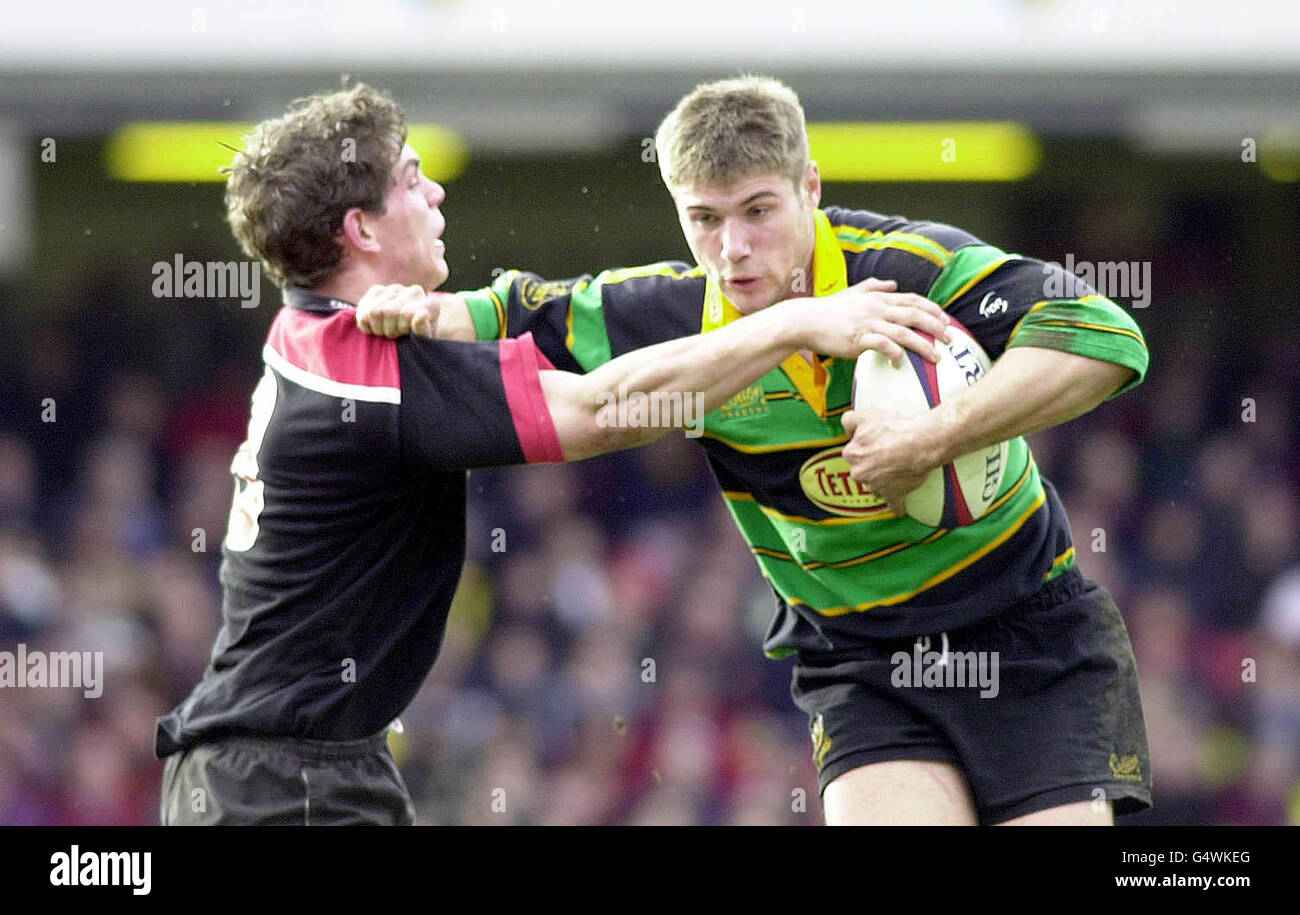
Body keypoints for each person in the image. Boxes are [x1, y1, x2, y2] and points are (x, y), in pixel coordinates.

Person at [358, 75, 1153, 826]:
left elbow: (1107, 338)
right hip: (863, 659)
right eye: (704, 218)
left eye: (758, 211)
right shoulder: (676, 312)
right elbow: (512, 312)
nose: (732, 247)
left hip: (1029, 635)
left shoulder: (909, 269)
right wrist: (407, 309)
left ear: (811, 188)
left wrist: (933, 439)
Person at [153, 82, 948, 825]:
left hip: (294, 770)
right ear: (360, 229)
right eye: (411, 178)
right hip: (277, 783)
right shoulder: (366, 370)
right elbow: (605, 409)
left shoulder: (324, 342)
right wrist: (795, 323)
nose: (434, 194)